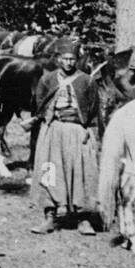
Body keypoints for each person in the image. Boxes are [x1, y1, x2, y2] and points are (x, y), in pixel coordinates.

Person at [30, 38, 99, 235]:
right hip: (54, 130)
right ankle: (50, 216)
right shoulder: (48, 79)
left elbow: (94, 110)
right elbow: (39, 104)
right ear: (59, 58)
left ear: (77, 59)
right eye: (65, 58)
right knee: (49, 171)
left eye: (72, 59)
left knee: (82, 172)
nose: (68, 62)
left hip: (77, 131)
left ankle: (83, 218)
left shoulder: (87, 81)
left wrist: (90, 132)